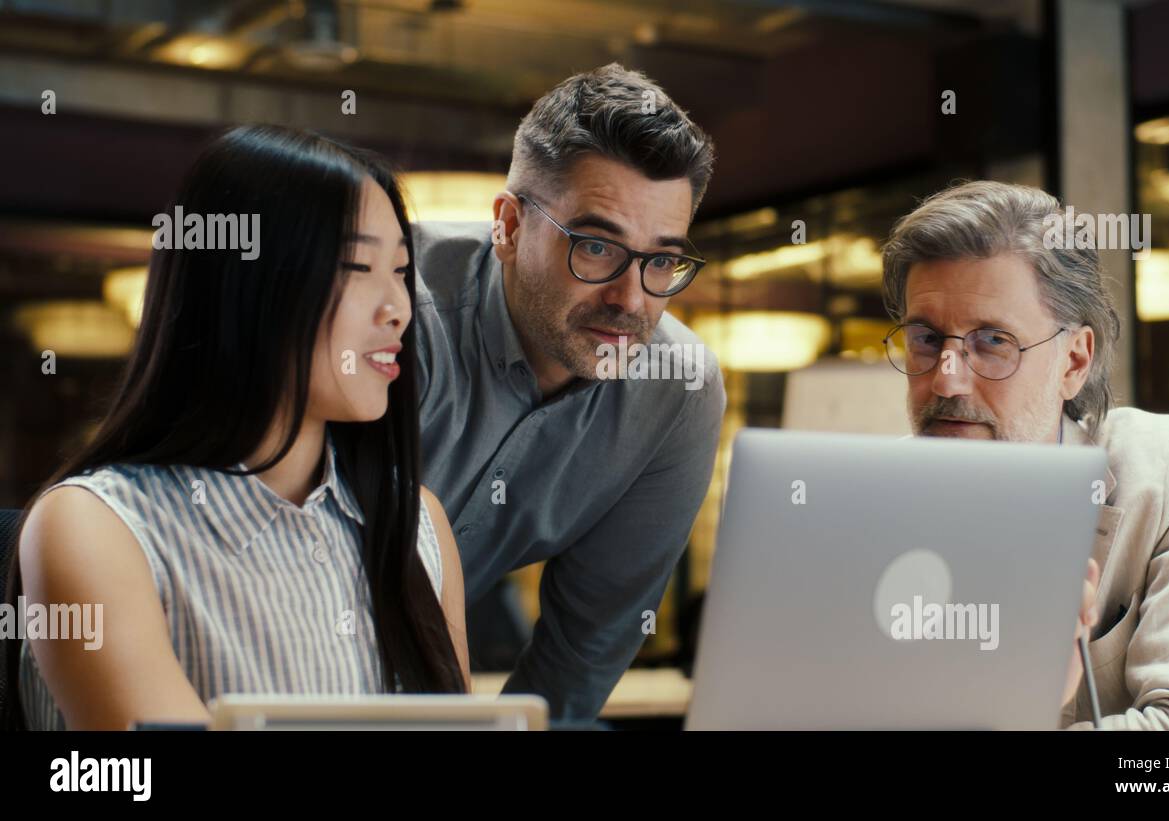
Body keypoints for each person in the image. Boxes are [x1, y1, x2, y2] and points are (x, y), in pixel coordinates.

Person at [2, 124, 469, 730]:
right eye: (358, 265)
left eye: (401, 270)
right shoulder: (94, 527)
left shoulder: (416, 526)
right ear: (244, 286)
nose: (399, 307)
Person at [880, 179, 1169, 729]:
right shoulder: (865, 505)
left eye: (992, 341)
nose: (947, 381)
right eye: (925, 338)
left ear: (1075, 361)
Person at [410, 63, 725, 721]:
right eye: (596, 246)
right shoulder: (393, 313)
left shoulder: (678, 391)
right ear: (509, 225)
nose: (631, 299)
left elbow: (579, 658)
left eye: (663, 259)